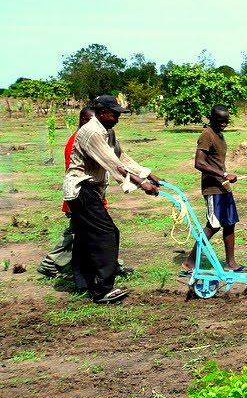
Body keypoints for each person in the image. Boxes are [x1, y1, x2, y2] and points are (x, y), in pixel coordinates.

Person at [63, 95, 161, 304]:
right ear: (102, 113)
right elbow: (113, 164)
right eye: (114, 114)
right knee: (106, 234)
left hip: (91, 190)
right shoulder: (91, 132)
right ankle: (103, 290)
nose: (117, 118)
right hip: (81, 189)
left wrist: (148, 174)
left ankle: (85, 284)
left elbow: (121, 157)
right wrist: (141, 184)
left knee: (86, 238)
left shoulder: (107, 132)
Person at [37, 107, 132, 290]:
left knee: (83, 235)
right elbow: (73, 173)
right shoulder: (79, 140)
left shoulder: (97, 136)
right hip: (81, 194)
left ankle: (85, 280)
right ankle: (52, 264)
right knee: (91, 234)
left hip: (90, 195)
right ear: (83, 121)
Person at [180, 104, 247, 275]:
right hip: (212, 188)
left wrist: (225, 177)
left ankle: (231, 263)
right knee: (213, 225)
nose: (224, 124)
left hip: (223, 187)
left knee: (230, 223)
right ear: (211, 118)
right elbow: (199, 163)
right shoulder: (207, 135)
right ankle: (189, 262)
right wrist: (223, 174)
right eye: (220, 121)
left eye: (226, 121)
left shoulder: (219, 134)